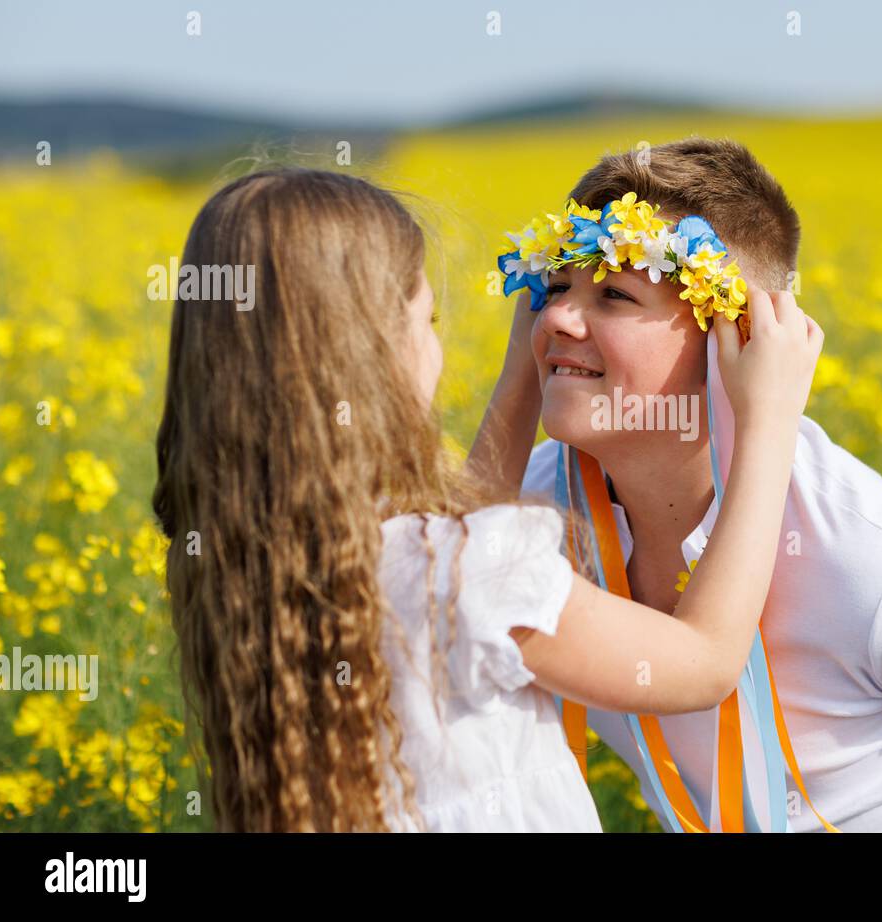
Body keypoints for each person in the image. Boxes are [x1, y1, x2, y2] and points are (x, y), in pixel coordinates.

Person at [151, 166, 822, 831]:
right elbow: (702, 664)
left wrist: (527, 374)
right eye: (427, 319)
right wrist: (766, 418)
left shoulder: (260, 557)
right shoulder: (462, 567)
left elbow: (458, 542)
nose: (558, 312)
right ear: (372, 352)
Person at [491, 139, 882, 832]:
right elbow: (448, 588)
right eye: (553, 288)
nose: (554, 318)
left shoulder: (874, 554)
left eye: (614, 293)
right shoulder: (530, 516)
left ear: (739, 333)